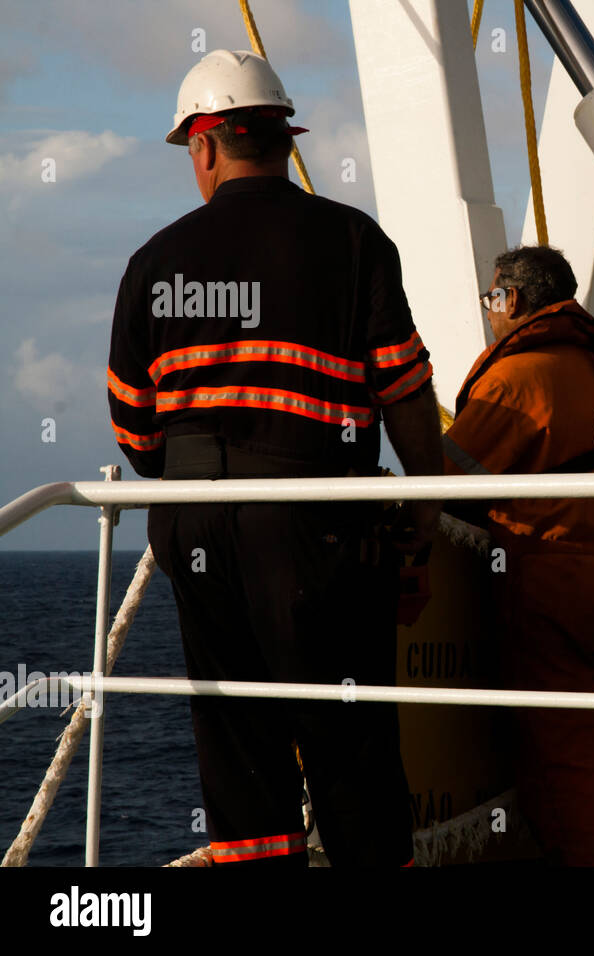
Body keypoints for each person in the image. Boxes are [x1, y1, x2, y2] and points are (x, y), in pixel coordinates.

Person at [107, 50, 443, 866]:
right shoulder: (355, 241)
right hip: (322, 530)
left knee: (237, 750)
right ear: (285, 142)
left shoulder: (153, 262)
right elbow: (404, 394)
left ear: (205, 148)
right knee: (349, 744)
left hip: (197, 531)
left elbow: (136, 441)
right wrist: (426, 508)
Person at [441, 246, 594, 866]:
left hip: (553, 586)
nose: (489, 314)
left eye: (491, 300)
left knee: (565, 784)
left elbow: (439, 486)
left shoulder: (517, 379)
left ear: (511, 301)